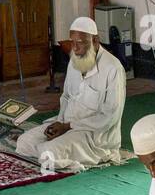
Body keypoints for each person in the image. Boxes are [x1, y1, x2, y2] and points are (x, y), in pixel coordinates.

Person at [15, 16, 125, 172]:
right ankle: (49, 150)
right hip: (66, 124)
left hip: (93, 135)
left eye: (80, 42)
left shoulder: (113, 68)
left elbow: (110, 116)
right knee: (24, 142)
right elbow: (66, 97)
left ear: (95, 41)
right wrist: (60, 122)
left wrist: (68, 126)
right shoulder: (75, 61)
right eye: (72, 42)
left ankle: (51, 152)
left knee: (49, 153)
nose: (75, 48)